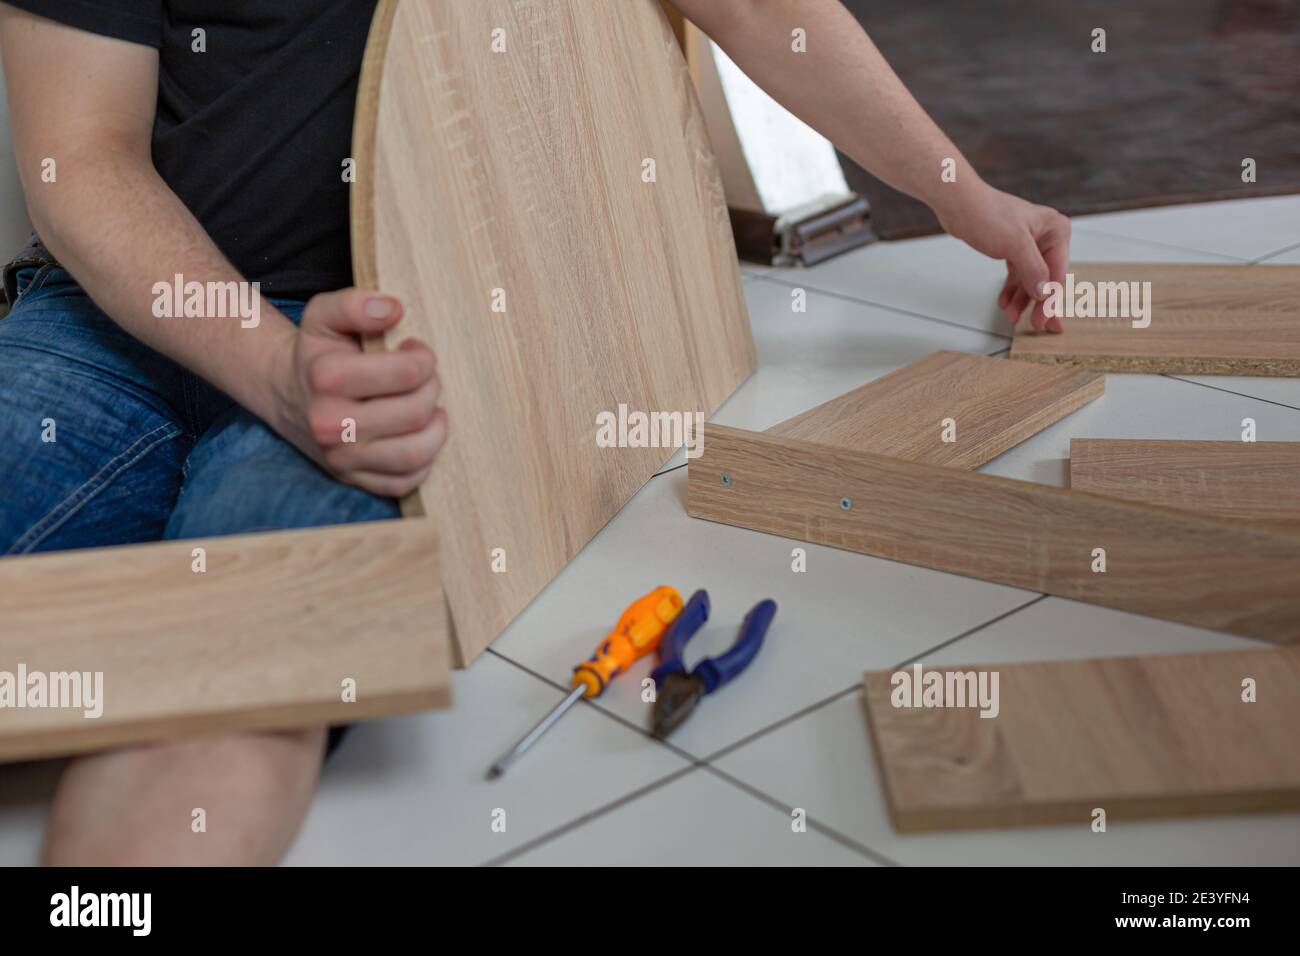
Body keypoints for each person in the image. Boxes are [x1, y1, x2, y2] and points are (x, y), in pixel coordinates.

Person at [0, 0, 1070, 865]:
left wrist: (960, 195)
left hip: (384, 339)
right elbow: (81, 155)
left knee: (246, 669)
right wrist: (273, 371)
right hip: (113, 321)